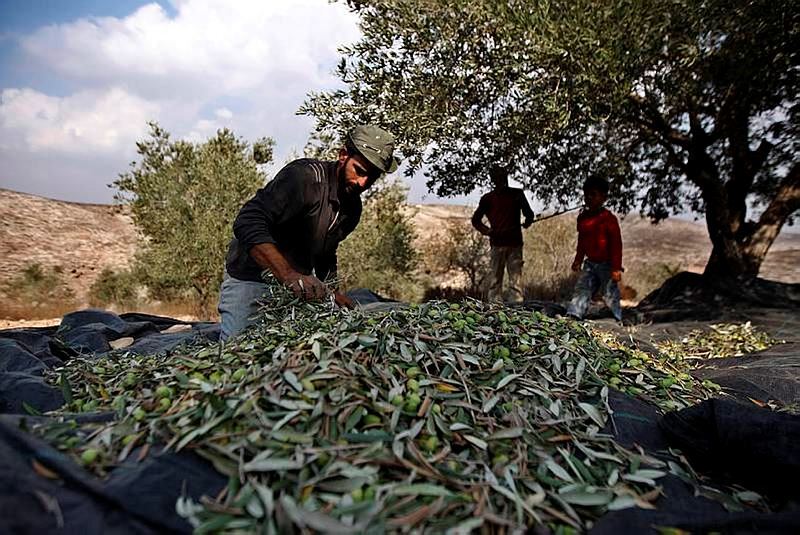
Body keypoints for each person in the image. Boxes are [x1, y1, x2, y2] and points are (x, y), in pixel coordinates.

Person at [217, 125, 399, 341]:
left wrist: (332, 292)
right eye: (359, 171)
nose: (363, 183)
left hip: (295, 292)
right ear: (343, 156)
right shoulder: (304, 178)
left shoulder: (352, 210)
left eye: (372, 177)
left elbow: (326, 254)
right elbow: (248, 221)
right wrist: (288, 275)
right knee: (236, 351)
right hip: (251, 279)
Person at [471, 165, 535, 303]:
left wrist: (488, 231)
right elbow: (476, 221)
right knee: (508, 281)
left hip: (511, 244)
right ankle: (506, 308)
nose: (499, 180)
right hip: (504, 243)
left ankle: (507, 308)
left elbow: (529, 214)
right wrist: (487, 231)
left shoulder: (507, 196)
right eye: (498, 177)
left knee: (507, 281)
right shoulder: (509, 195)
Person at [567, 175, 623, 321]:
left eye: (593, 194)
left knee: (610, 292)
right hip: (590, 263)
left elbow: (616, 244)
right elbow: (582, 241)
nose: (589, 198)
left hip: (607, 264)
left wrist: (616, 268)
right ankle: (574, 314)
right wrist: (578, 260)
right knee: (582, 288)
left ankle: (616, 317)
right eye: (586, 195)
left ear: (604, 198)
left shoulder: (609, 219)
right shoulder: (583, 218)